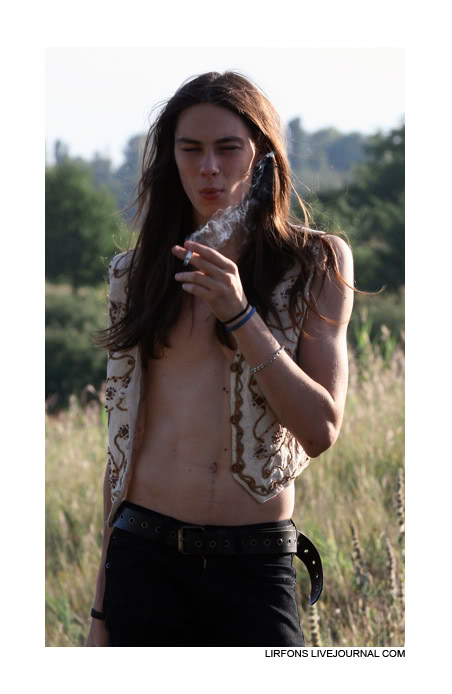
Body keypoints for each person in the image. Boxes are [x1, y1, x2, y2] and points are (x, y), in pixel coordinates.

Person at [85, 71, 354, 647]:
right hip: (143, 561)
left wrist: (239, 314)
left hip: (255, 567)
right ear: (171, 160)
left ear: (262, 156)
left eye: (227, 148)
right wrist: (100, 613)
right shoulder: (133, 276)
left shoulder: (314, 264)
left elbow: (321, 429)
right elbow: (121, 453)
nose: (208, 167)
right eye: (191, 149)